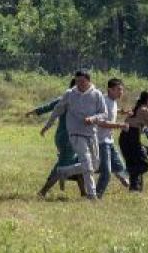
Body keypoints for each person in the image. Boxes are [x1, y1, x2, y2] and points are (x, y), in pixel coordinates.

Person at [40, 70, 108, 200]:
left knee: (95, 165)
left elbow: (104, 114)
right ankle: (92, 196)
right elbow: (57, 110)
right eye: (77, 82)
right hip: (75, 134)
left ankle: (64, 171)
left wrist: (93, 118)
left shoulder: (97, 94)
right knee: (87, 164)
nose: (79, 84)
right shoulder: (70, 94)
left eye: (82, 81)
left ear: (89, 81)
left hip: (91, 133)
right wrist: (47, 126)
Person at [26, 79, 86, 198]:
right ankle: (43, 191)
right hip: (67, 139)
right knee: (63, 166)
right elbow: (49, 107)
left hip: (70, 138)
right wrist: (35, 112)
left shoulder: (81, 101)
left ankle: (84, 193)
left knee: (78, 164)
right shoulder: (68, 99)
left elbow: (48, 107)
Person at [94, 78, 131, 196]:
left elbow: (112, 111)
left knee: (120, 167)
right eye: (118, 90)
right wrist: (119, 125)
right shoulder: (103, 102)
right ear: (110, 90)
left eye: (122, 90)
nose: (121, 92)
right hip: (101, 141)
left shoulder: (113, 101)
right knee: (106, 173)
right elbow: (101, 122)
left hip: (109, 141)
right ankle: (95, 196)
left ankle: (130, 185)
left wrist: (122, 111)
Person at [116, 90, 148, 192]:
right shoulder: (144, 109)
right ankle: (124, 172)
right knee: (145, 164)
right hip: (131, 136)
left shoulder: (137, 108)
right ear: (147, 100)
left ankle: (135, 189)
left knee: (134, 163)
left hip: (125, 137)